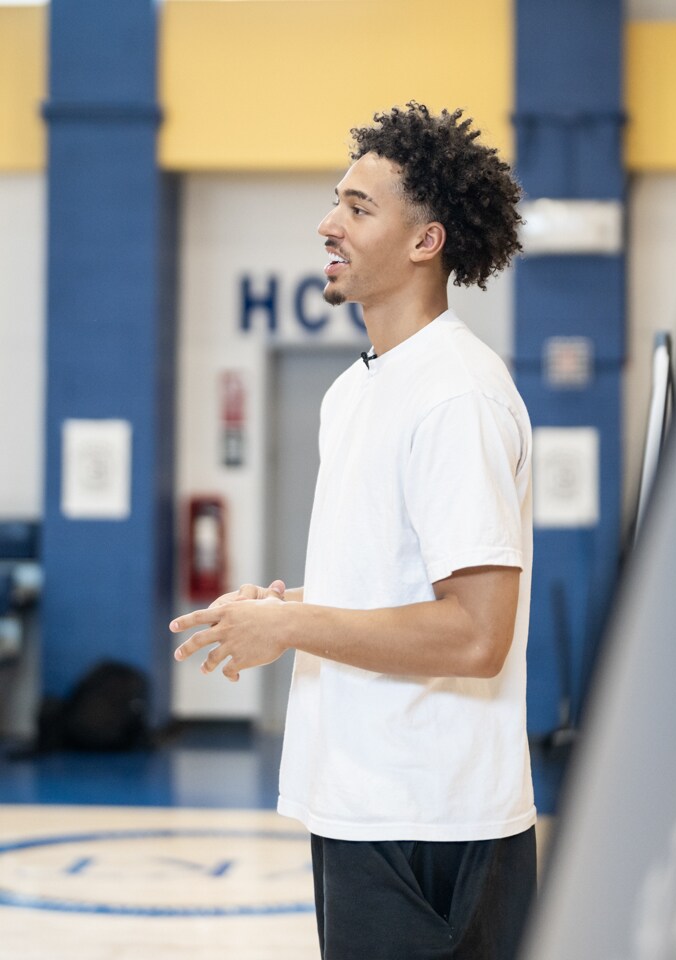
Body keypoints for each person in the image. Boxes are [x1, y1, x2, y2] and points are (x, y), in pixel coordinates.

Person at [172, 101, 535, 960]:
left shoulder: (459, 395)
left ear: (425, 242)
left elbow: (478, 634)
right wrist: (281, 610)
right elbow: (395, 593)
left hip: (436, 823)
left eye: (359, 207)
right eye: (337, 200)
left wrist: (294, 627)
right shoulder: (357, 390)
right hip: (359, 803)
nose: (328, 223)